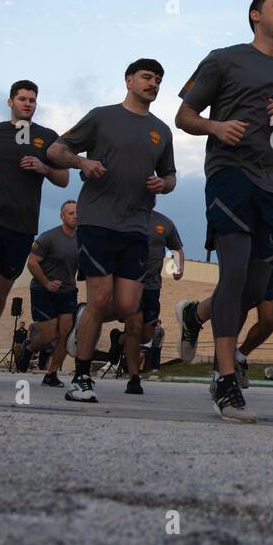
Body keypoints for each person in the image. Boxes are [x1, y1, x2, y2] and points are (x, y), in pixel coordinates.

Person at [176, 0, 273, 421]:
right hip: (229, 173)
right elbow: (183, 116)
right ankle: (224, 379)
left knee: (256, 289)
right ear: (255, 16)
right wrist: (216, 125)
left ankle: (194, 315)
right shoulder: (224, 59)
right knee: (233, 274)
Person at [48, 59, 176, 403]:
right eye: (147, 77)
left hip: (137, 226)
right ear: (129, 80)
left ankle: (83, 317)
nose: (153, 83)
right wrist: (82, 162)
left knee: (127, 305)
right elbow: (55, 149)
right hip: (98, 221)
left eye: (158, 80)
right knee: (100, 299)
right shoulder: (102, 116)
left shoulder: (162, 131)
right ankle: (81, 377)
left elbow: (171, 177)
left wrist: (161, 183)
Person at [0, 80, 69, 386]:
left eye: (32, 100)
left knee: (1, 292)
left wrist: (43, 168)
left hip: (21, 225)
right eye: (22, 99)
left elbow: (64, 178)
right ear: (10, 102)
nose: (28, 104)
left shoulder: (47, 138)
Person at [175, 228, 273, 389]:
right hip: (240, 239)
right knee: (237, 305)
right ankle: (220, 376)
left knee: (269, 319)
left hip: (268, 250)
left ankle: (237, 357)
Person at [119, 210, 184, 393]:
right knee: (134, 328)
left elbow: (176, 248)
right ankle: (134, 378)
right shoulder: (125, 216)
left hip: (152, 286)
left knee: (147, 335)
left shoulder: (165, 223)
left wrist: (177, 267)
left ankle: (118, 339)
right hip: (130, 282)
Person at [16, 200, 79, 388]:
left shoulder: (82, 239)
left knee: (65, 333)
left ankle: (52, 374)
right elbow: (32, 263)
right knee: (50, 333)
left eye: (77, 213)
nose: (75, 216)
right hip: (43, 290)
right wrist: (47, 283)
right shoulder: (48, 238)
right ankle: (29, 347)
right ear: (62, 216)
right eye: (70, 213)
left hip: (67, 291)